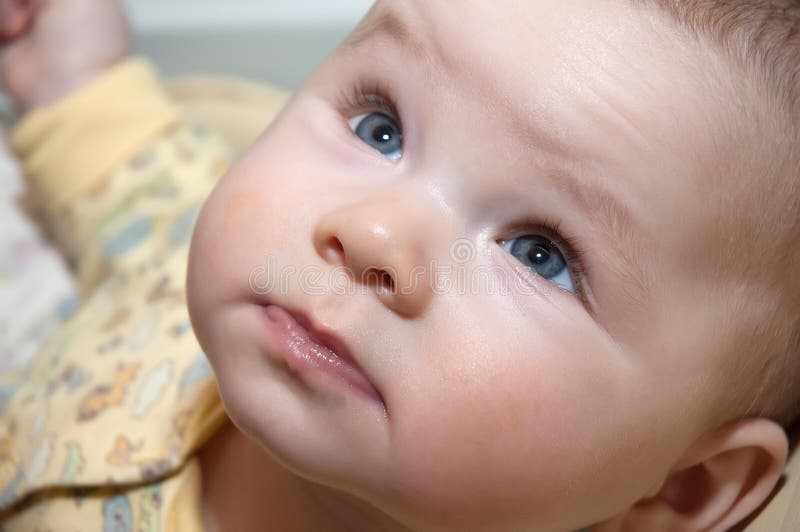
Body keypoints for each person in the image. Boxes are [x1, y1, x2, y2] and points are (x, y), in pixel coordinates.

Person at [0, 0, 798, 530]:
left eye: (540, 253)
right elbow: (143, 195)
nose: (375, 234)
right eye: (380, 127)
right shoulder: (219, 270)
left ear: (679, 489)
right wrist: (75, 83)